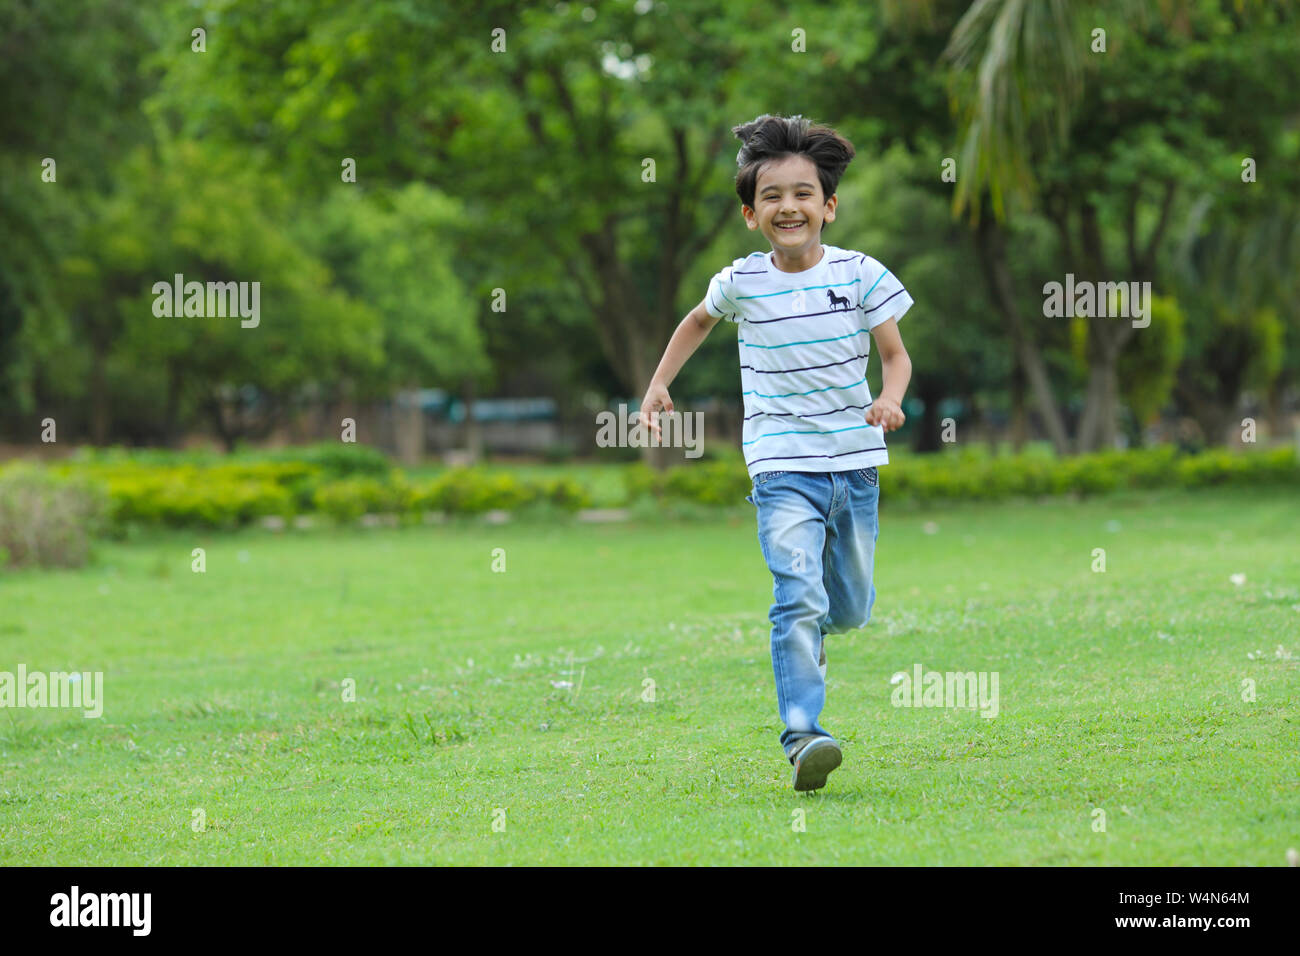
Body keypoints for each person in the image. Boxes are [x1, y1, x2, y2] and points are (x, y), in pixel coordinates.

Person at [639, 114, 914, 791]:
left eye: (801, 194)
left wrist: (889, 398)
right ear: (750, 214)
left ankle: (820, 630)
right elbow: (698, 319)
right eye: (771, 196)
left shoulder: (861, 274)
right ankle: (804, 737)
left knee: (847, 609)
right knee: (796, 597)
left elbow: (896, 356)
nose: (787, 206)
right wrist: (658, 384)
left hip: (853, 462)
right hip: (780, 463)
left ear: (828, 206)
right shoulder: (742, 281)